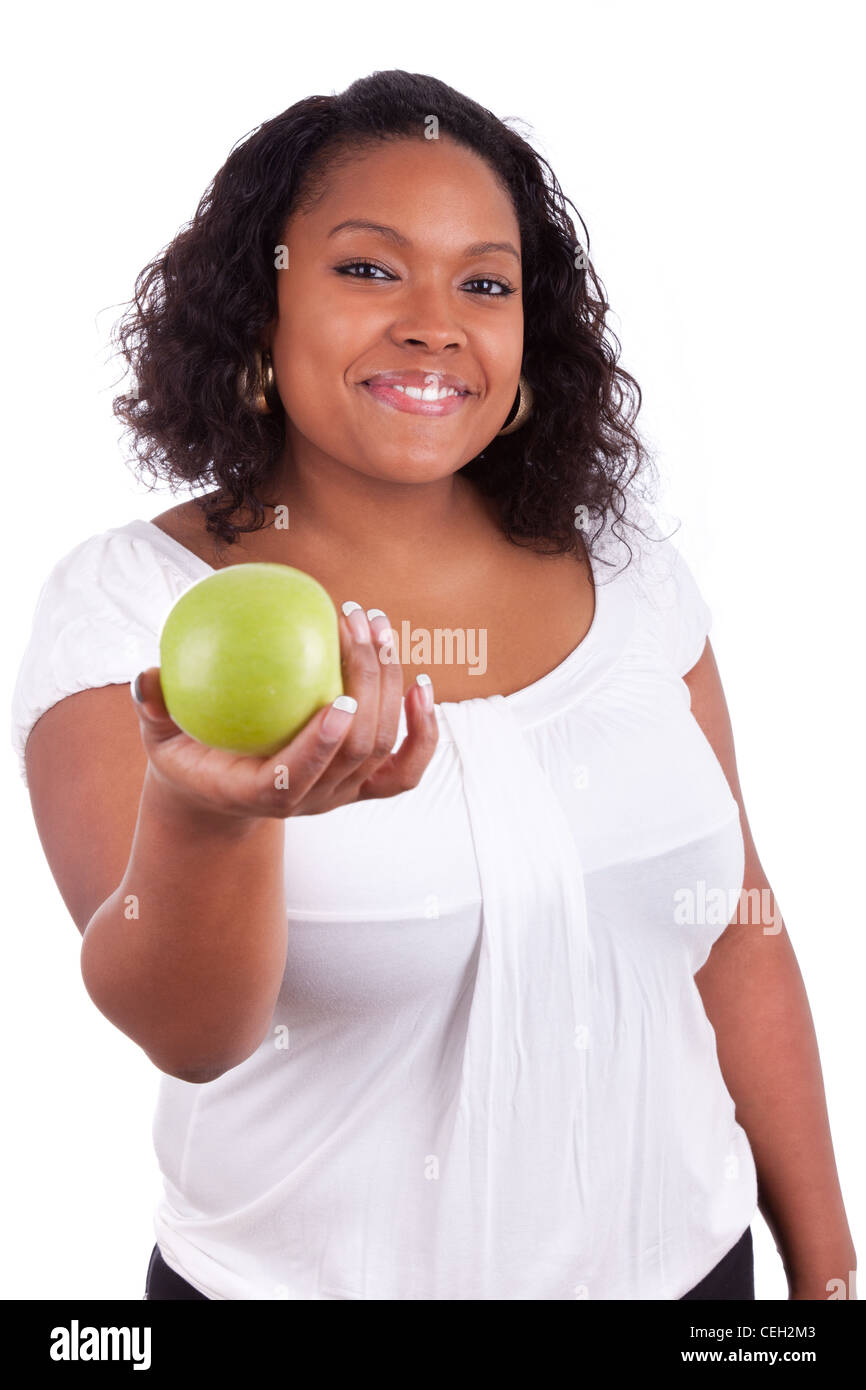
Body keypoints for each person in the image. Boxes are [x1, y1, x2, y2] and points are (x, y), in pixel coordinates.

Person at [11, 70, 855, 1301]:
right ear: (261, 305)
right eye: (366, 269)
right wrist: (213, 817)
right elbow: (188, 1036)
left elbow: (731, 933)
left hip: (692, 1290)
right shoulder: (132, 613)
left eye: (484, 282)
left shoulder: (629, 578)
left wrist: (827, 1282)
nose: (431, 320)